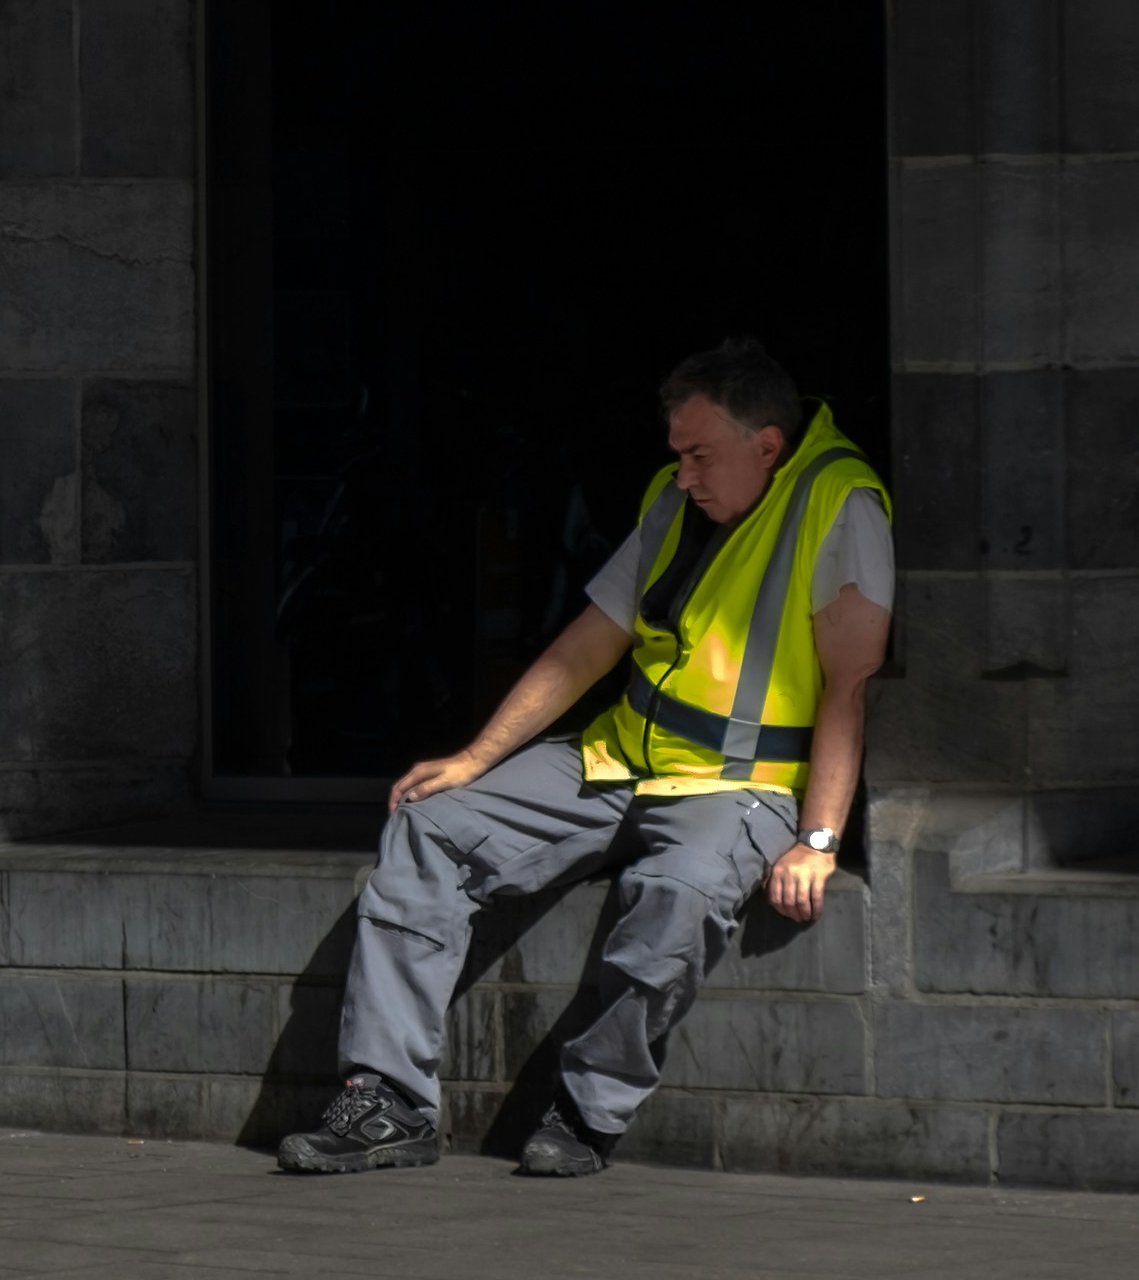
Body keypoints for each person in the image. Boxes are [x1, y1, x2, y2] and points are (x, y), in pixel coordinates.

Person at [279, 338, 891, 1181]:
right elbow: (590, 643)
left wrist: (818, 840)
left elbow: (848, 687)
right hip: (619, 761)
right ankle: (387, 1105)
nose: (683, 474)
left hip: (736, 786)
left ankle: (587, 1110)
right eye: (676, 454)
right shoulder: (675, 501)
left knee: (674, 894)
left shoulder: (842, 504)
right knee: (429, 823)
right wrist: (477, 756)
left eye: (699, 454)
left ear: (769, 445)